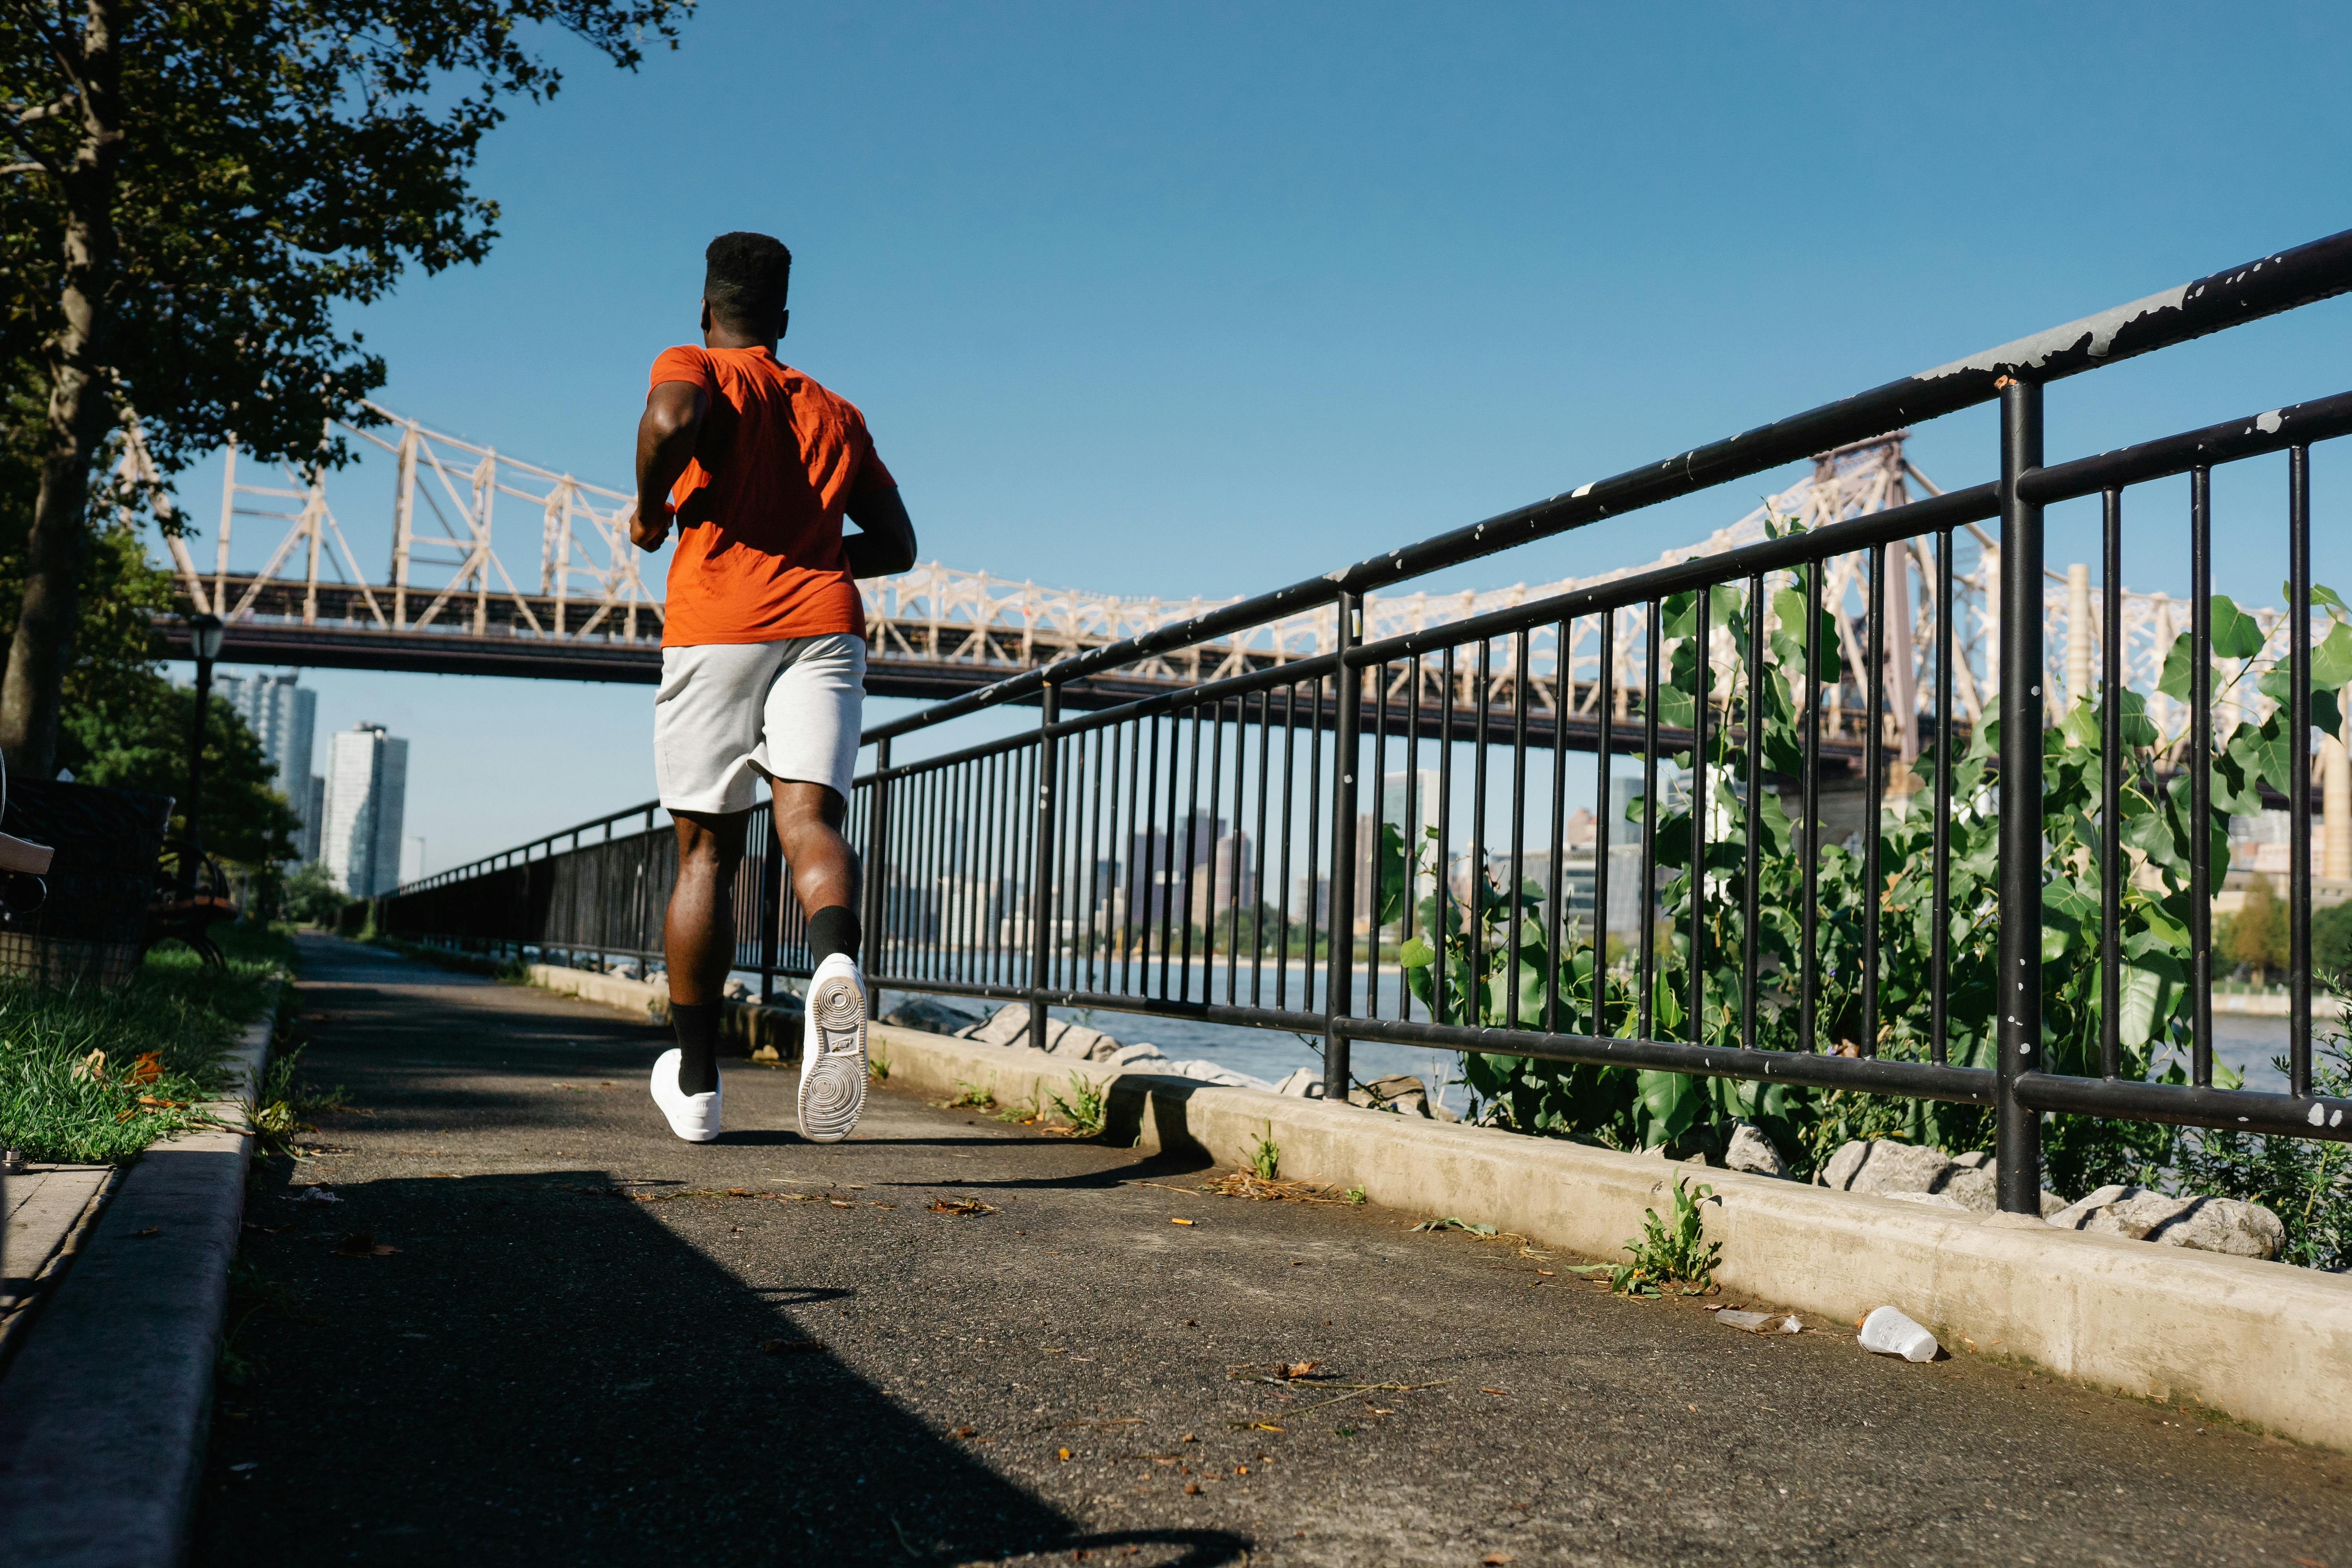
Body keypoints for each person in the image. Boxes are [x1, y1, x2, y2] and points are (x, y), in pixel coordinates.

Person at [630, 231, 916, 1145]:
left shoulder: (695, 364)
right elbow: (901, 546)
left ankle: (700, 1086)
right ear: (785, 321)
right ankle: (834, 963)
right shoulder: (837, 410)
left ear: (706, 310)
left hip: (717, 623)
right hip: (827, 624)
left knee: (706, 853)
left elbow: (672, 421)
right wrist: (819, 555)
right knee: (810, 824)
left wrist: (649, 510)